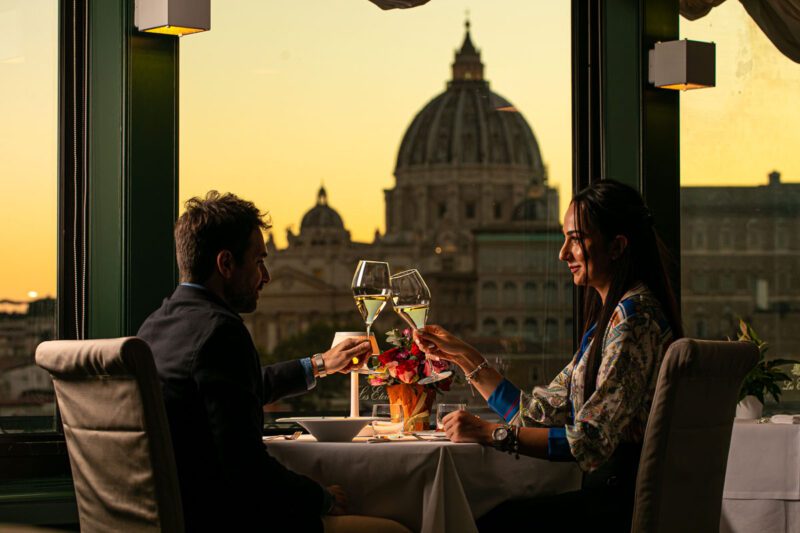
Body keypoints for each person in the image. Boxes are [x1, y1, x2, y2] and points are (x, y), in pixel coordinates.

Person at [415, 180, 683, 531]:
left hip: (615, 505)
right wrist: (464, 356)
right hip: (608, 494)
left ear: (616, 247)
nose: (562, 253)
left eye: (576, 239)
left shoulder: (633, 321)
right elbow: (538, 413)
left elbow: (590, 440)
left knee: (478, 519)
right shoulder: (616, 317)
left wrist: (489, 433)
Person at [138, 191, 383, 532]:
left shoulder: (154, 326)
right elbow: (247, 469)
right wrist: (323, 497)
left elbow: (233, 391)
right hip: (225, 519)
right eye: (258, 261)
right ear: (226, 264)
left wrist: (318, 364)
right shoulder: (221, 331)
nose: (266, 276)